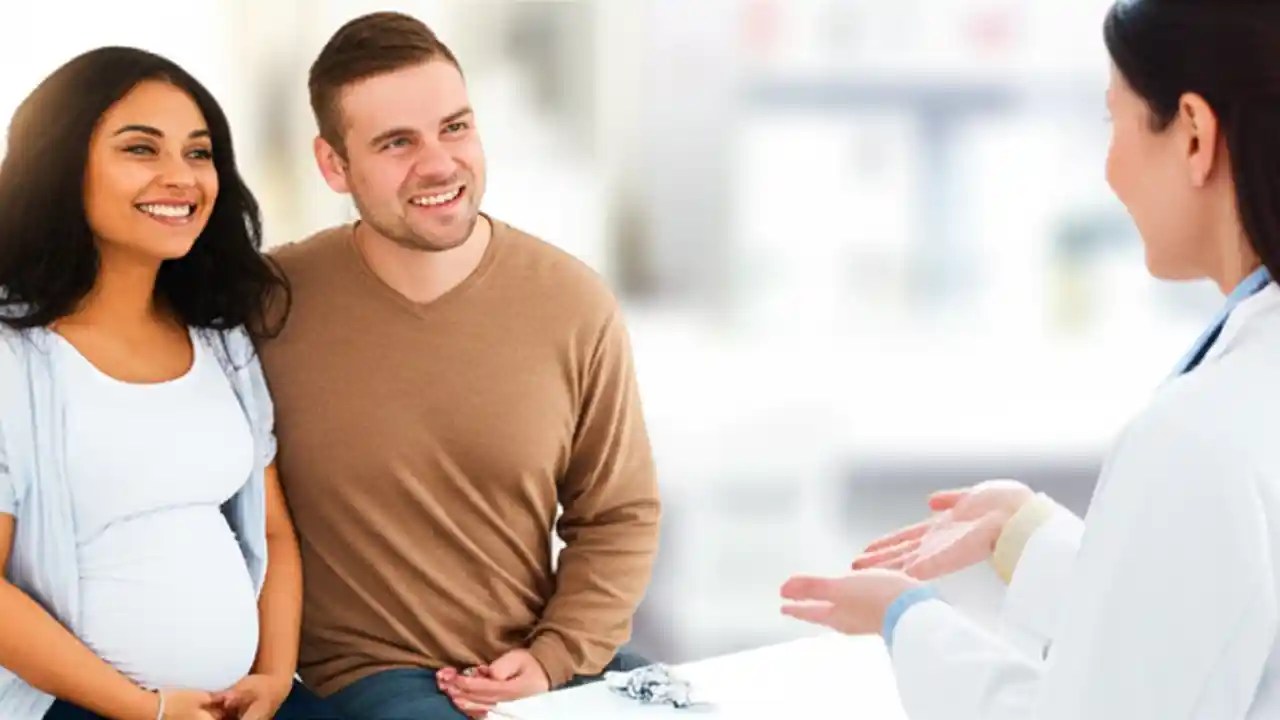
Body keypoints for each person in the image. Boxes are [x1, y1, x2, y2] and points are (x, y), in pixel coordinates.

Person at [779, 1, 1280, 717]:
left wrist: (908, 620)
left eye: (1116, 120)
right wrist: (1028, 538)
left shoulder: (1196, 441)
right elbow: (1202, 624)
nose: (1109, 171)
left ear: (1195, 134)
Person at [254, 11, 661, 720]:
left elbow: (617, 516)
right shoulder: (268, 305)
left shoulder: (572, 303)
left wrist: (552, 657)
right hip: (366, 679)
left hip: (539, 670)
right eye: (396, 143)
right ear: (333, 165)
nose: (439, 163)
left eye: (455, 127)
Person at [0, 47, 334, 720]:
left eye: (199, 153)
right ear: (63, 163)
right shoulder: (15, 356)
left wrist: (273, 676)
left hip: (248, 702)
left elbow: (273, 534)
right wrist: (145, 709)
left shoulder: (221, 339)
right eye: (141, 149)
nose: (180, 177)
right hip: (80, 709)